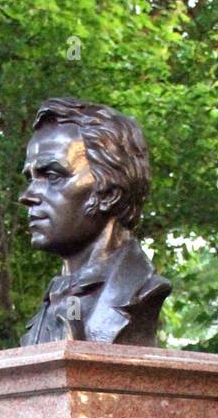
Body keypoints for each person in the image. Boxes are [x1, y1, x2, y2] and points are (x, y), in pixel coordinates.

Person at [19, 97, 171, 346]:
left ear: (110, 193)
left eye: (53, 176)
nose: (27, 196)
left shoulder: (141, 292)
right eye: (31, 178)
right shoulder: (52, 301)